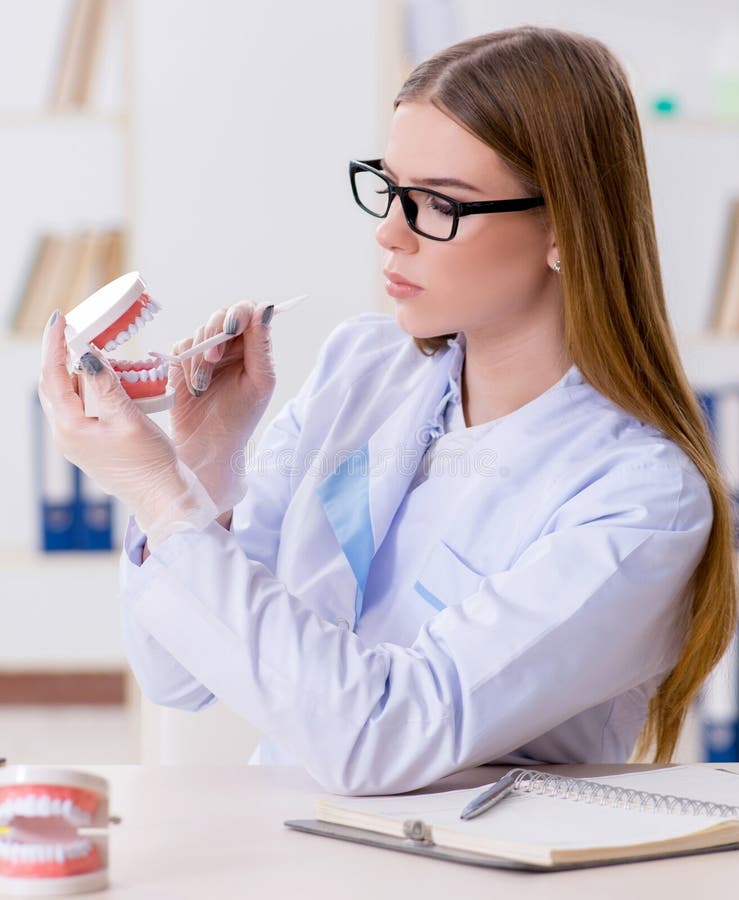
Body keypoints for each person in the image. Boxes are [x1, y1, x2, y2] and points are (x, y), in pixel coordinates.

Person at [39, 25, 736, 795]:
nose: (390, 233)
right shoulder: (363, 368)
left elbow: (377, 738)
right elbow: (176, 673)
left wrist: (158, 495)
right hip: (288, 838)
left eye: (439, 203)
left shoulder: (638, 499)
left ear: (565, 229)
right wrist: (206, 464)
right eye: (391, 187)